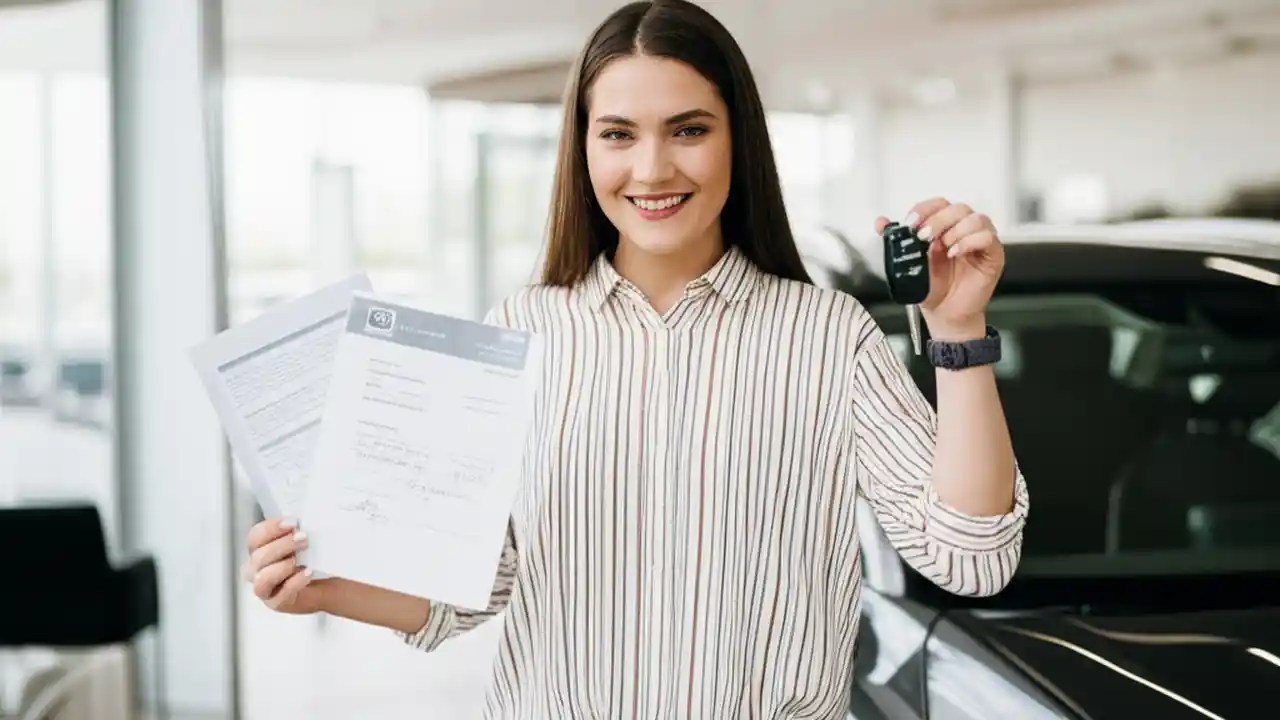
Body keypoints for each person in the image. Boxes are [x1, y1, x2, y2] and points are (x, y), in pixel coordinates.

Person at [242, 0, 1029, 716]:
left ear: (738, 139)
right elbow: (475, 584)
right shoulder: (522, 328)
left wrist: (957, 330)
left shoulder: (828, 336)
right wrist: (326, 587)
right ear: (583, 147)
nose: (652, 169)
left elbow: (972, 557)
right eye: (618, 134)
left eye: (689, 130)